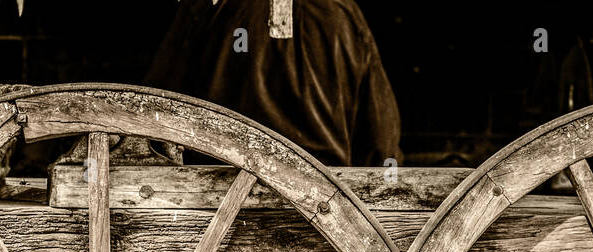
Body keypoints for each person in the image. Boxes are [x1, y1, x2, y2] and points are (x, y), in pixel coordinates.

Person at [145, 0, 401, 167]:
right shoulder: (343, 15)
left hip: (216, 205)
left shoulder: (207, 8)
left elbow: (152, 113)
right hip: (323, 210)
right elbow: (381, 142)